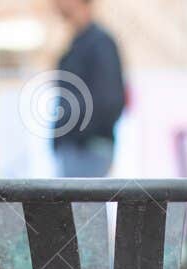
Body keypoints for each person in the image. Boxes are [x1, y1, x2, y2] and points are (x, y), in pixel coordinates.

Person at [49, 0, 126, 178]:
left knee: (85, 206)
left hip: (88, 149)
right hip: (75, 149)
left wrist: (80, 133)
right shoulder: (77, 43)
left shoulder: (100, 43)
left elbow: (110, 100)